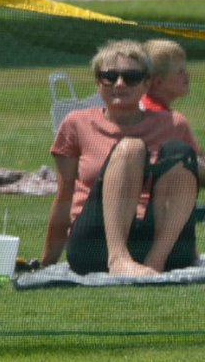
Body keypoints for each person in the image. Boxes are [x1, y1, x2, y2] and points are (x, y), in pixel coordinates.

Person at [41, 40, 200, 277]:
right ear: (97, 82)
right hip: (95, 244)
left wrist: (183, 164)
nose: (120, 83)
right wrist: (46, 263)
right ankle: (118, 259)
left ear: (146, 83)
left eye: (131, 77)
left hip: (161, 244)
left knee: (180, 153)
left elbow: (195, 177)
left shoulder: (173, 123)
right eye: (110, 76)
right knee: (130, 149)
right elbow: (64, 197)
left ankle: (155, 264)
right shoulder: (76, 123)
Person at [141, 38, 192, 113]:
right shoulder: (161, 116)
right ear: (159, 82)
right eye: (180, 71)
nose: (187, 75)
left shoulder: (138, 106)